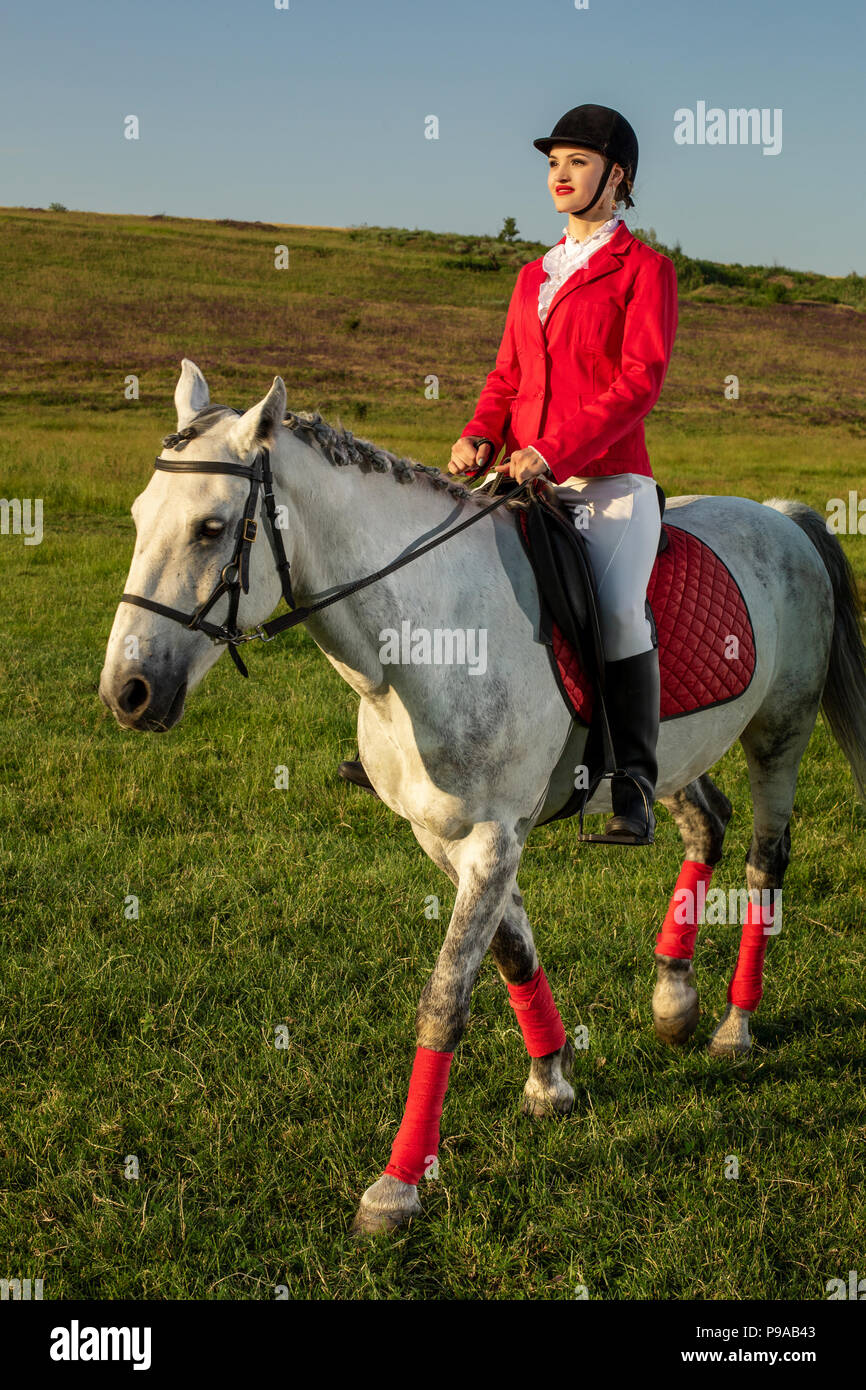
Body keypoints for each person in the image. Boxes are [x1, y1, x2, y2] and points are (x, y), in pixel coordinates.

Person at [339, 104, 678, 846]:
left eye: (578, 162)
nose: (559, 173)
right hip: (521, 477)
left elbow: (638, 382)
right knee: (438, 566)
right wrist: (476, 432)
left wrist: (554, 448)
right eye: (553, 161)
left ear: (616, 177)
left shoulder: (645, 271)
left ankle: (633, 783)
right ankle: (397, 747)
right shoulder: (533, 276)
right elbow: (506, 374)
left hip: (606, 485)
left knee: (619, 611)